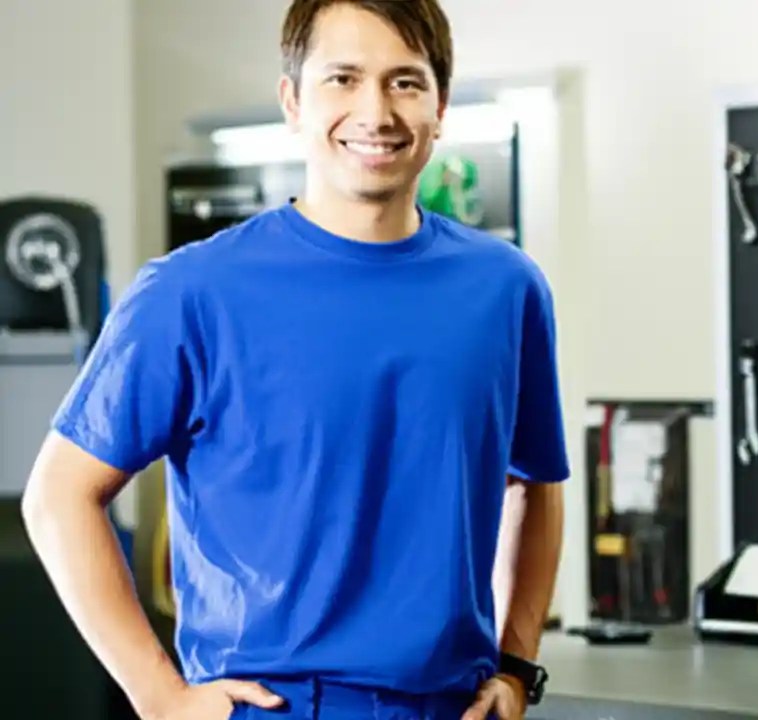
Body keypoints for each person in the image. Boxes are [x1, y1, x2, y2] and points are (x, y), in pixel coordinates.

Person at [19, 1, 568, 718]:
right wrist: (157, 694)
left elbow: (535, 481)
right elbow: (58, 495)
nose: (376, 111)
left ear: (440, 105)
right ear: (293, 101)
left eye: (405, 82)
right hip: (272, 706)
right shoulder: (193, 291)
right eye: (343, 78)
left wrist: (518, 662)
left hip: (452, 705)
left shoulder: (505, 288)